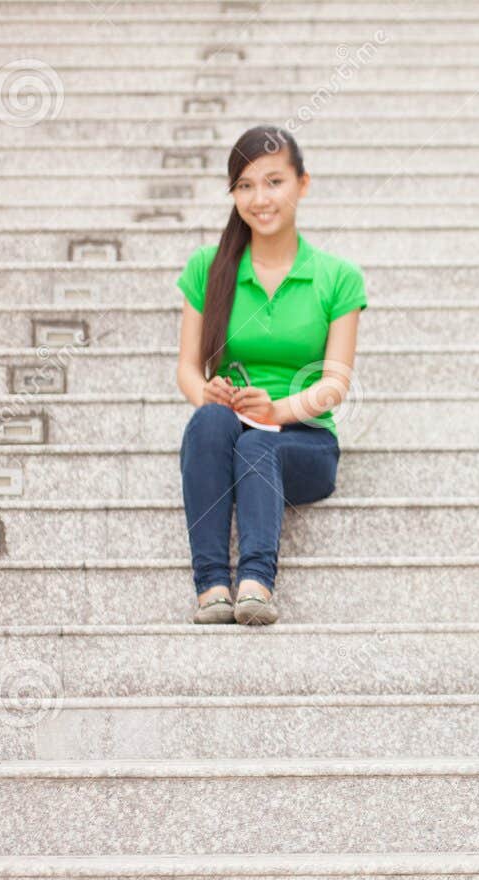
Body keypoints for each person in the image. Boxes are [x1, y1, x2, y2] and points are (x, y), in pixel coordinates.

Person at [175, 125, 366, 626]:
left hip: (304, 442)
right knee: (208, 423)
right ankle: (212, 586)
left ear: (302, 184)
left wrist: (275, 411)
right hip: (228, 430)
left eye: (274, 182)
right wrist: (209, 393)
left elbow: (334, 384)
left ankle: (257, 583)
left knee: (257, 446)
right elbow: (187, 370)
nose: (260, 198)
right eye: (245, 185)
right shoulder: (207, 267)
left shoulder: (337, 277)